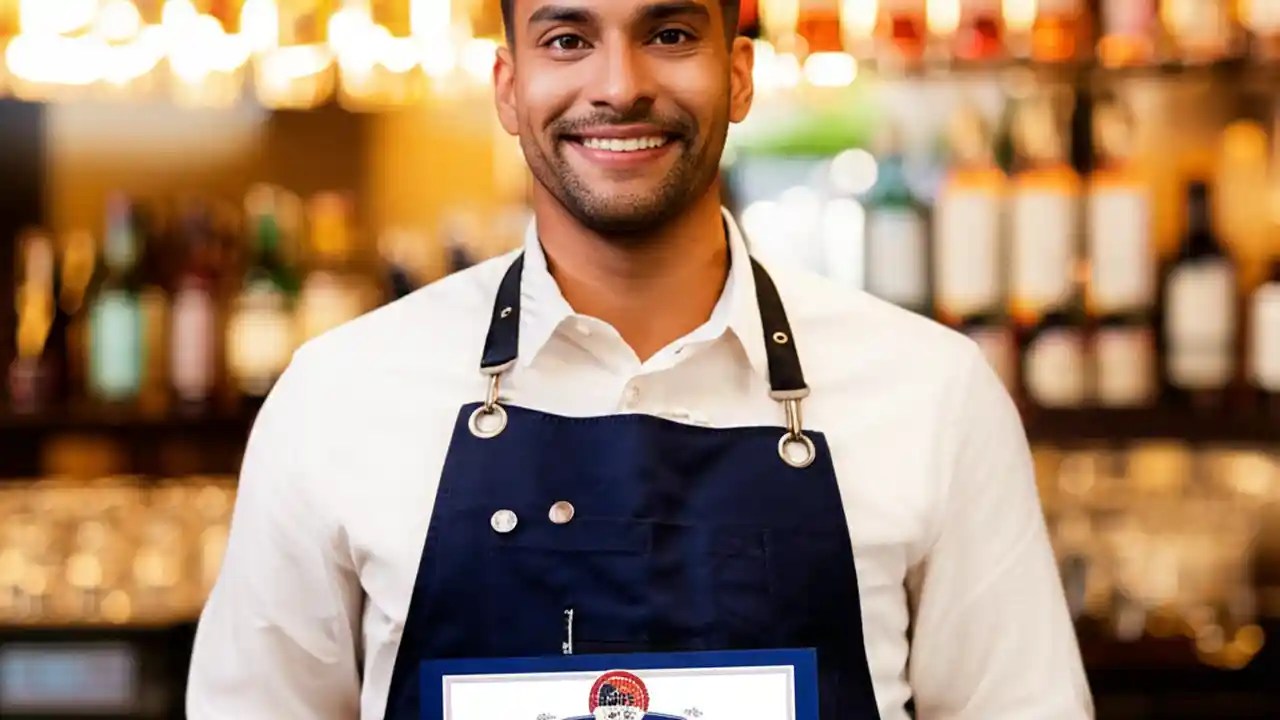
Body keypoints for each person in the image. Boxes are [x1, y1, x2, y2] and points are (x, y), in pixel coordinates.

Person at [185, 0, 1095, 715]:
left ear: (738, 74)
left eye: (667, 33)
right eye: (567, 39)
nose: (619, 85)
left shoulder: (932, 394)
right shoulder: (340, 397)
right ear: (508, 85)